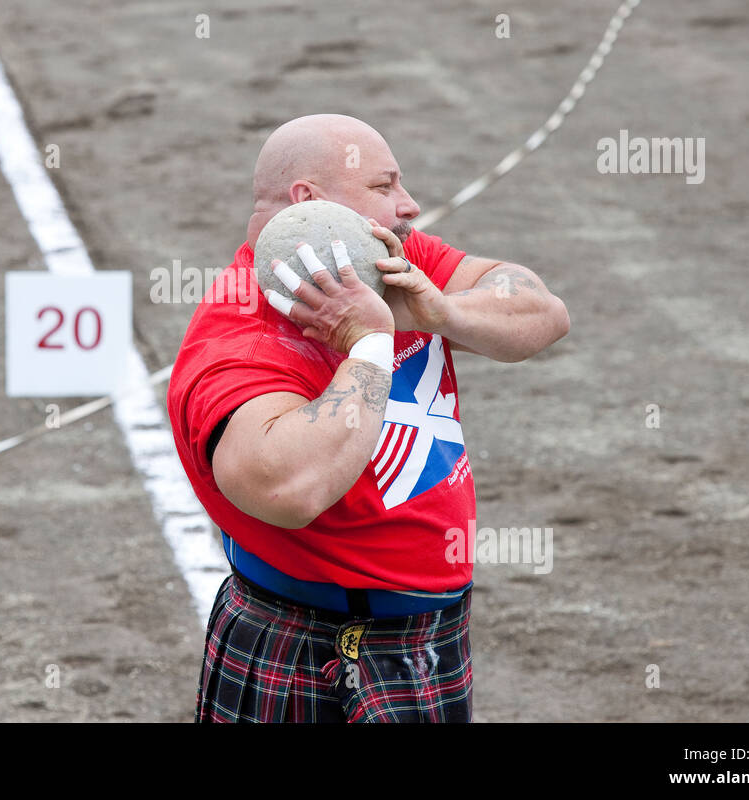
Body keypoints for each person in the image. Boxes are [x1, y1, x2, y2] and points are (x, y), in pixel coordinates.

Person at [167, 114, 570, 722]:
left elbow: (542, 311)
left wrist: (441, 312)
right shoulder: (239, 339)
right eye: (384, 188)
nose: (408, 207)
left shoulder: (386, 261)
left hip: (427, 634)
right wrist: (370, 346)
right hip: (305, 640)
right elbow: (286, 488)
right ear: (312, 201)